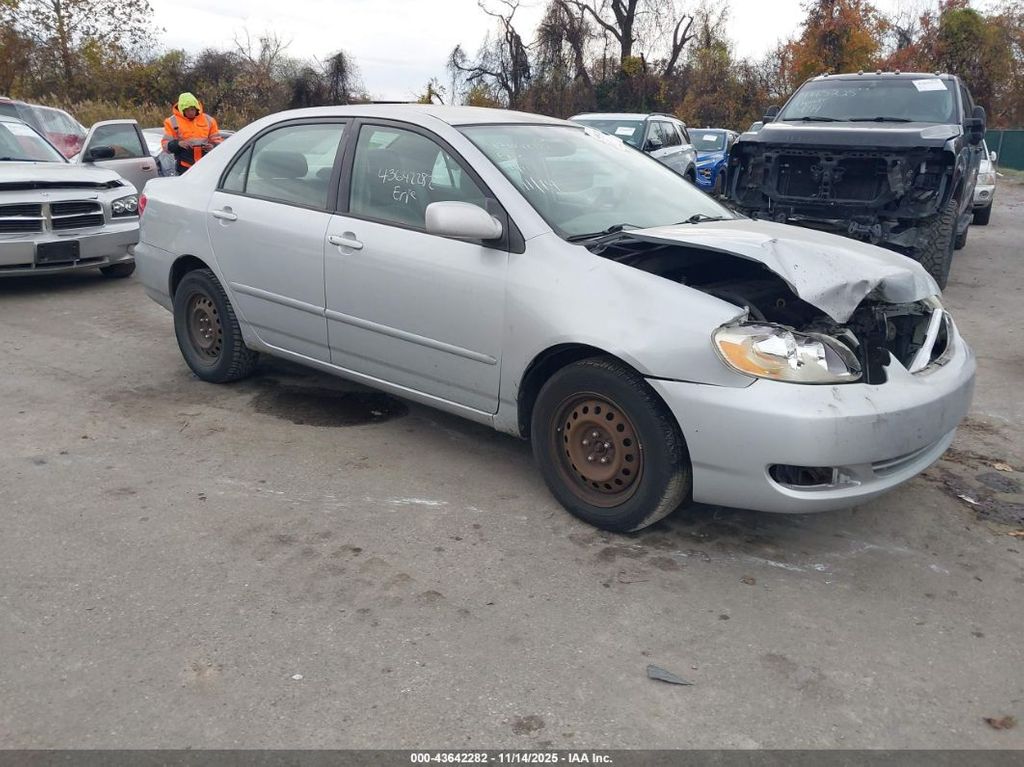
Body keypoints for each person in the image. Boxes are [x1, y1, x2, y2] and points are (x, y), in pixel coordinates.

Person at [161, 92, 224, 175]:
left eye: (192, 109)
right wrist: (179, 144)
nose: (190, 112)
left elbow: (218, 142)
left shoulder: (209, 120)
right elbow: (165, 146)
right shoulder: (171, 122)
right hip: (184, 166)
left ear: (197, 108)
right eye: (187, 110)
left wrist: (212, 146)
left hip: (206, 165)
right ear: (181, 110)